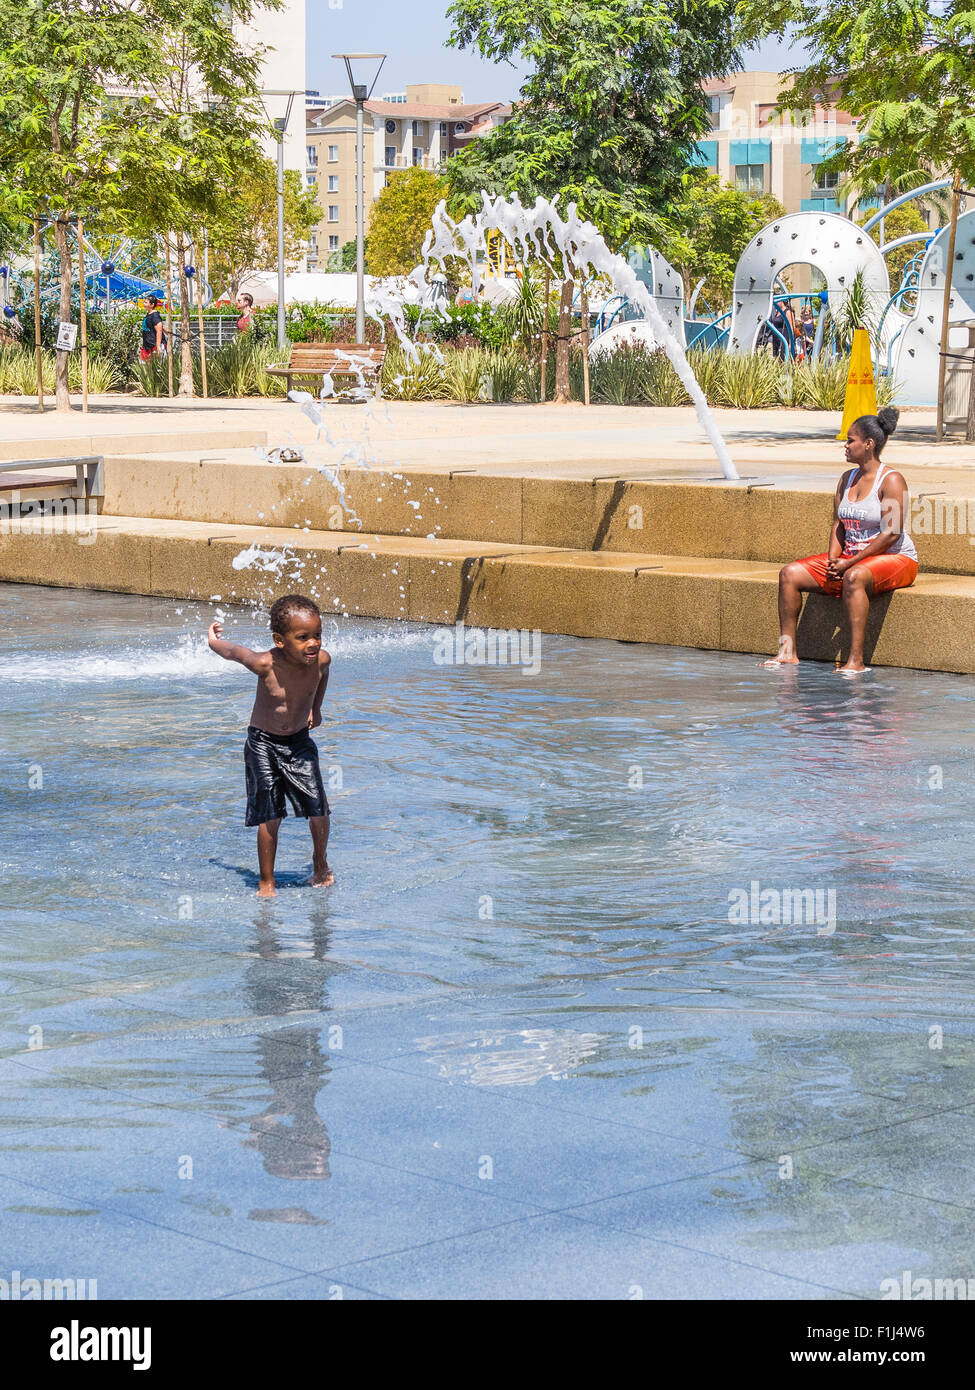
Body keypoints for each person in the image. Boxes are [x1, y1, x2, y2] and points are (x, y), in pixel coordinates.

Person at [762, 407, 917, 675]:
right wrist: (834, 559)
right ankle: (786, 653)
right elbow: (838, 524)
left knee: (854, 576)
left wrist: (849, 563)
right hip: (851, 560)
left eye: (850, 440)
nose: (845, 445)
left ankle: (855, 662)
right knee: (789, 574)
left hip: (895, 558)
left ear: (868, 445)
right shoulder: (847, 479)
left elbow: (891, 532)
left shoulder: (891, 480)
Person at [207, 594, 333, 896]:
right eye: (303, 638)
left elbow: (322, 677)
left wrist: (316, 708)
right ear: (280, 640)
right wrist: (214, 643)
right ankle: (267, 881)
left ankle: (319, 863)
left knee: (318, 807)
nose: (313, 643)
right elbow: (236, 653)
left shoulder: (322, 660)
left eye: (317, 635)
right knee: (270, 814)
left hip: (299, 742)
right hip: (262, 744)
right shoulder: (265, 664)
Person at [140, 295, 167, 361]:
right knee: (144, 366)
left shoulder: (155, 316)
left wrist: (158, 346)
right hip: (147, 345)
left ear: (152, 305)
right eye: (144, 302)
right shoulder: (149, 314)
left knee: (154, 367)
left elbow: (159, 330)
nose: (144, 304)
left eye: (146, 302)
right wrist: (168, 332)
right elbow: (160, 326)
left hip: (154, 346)